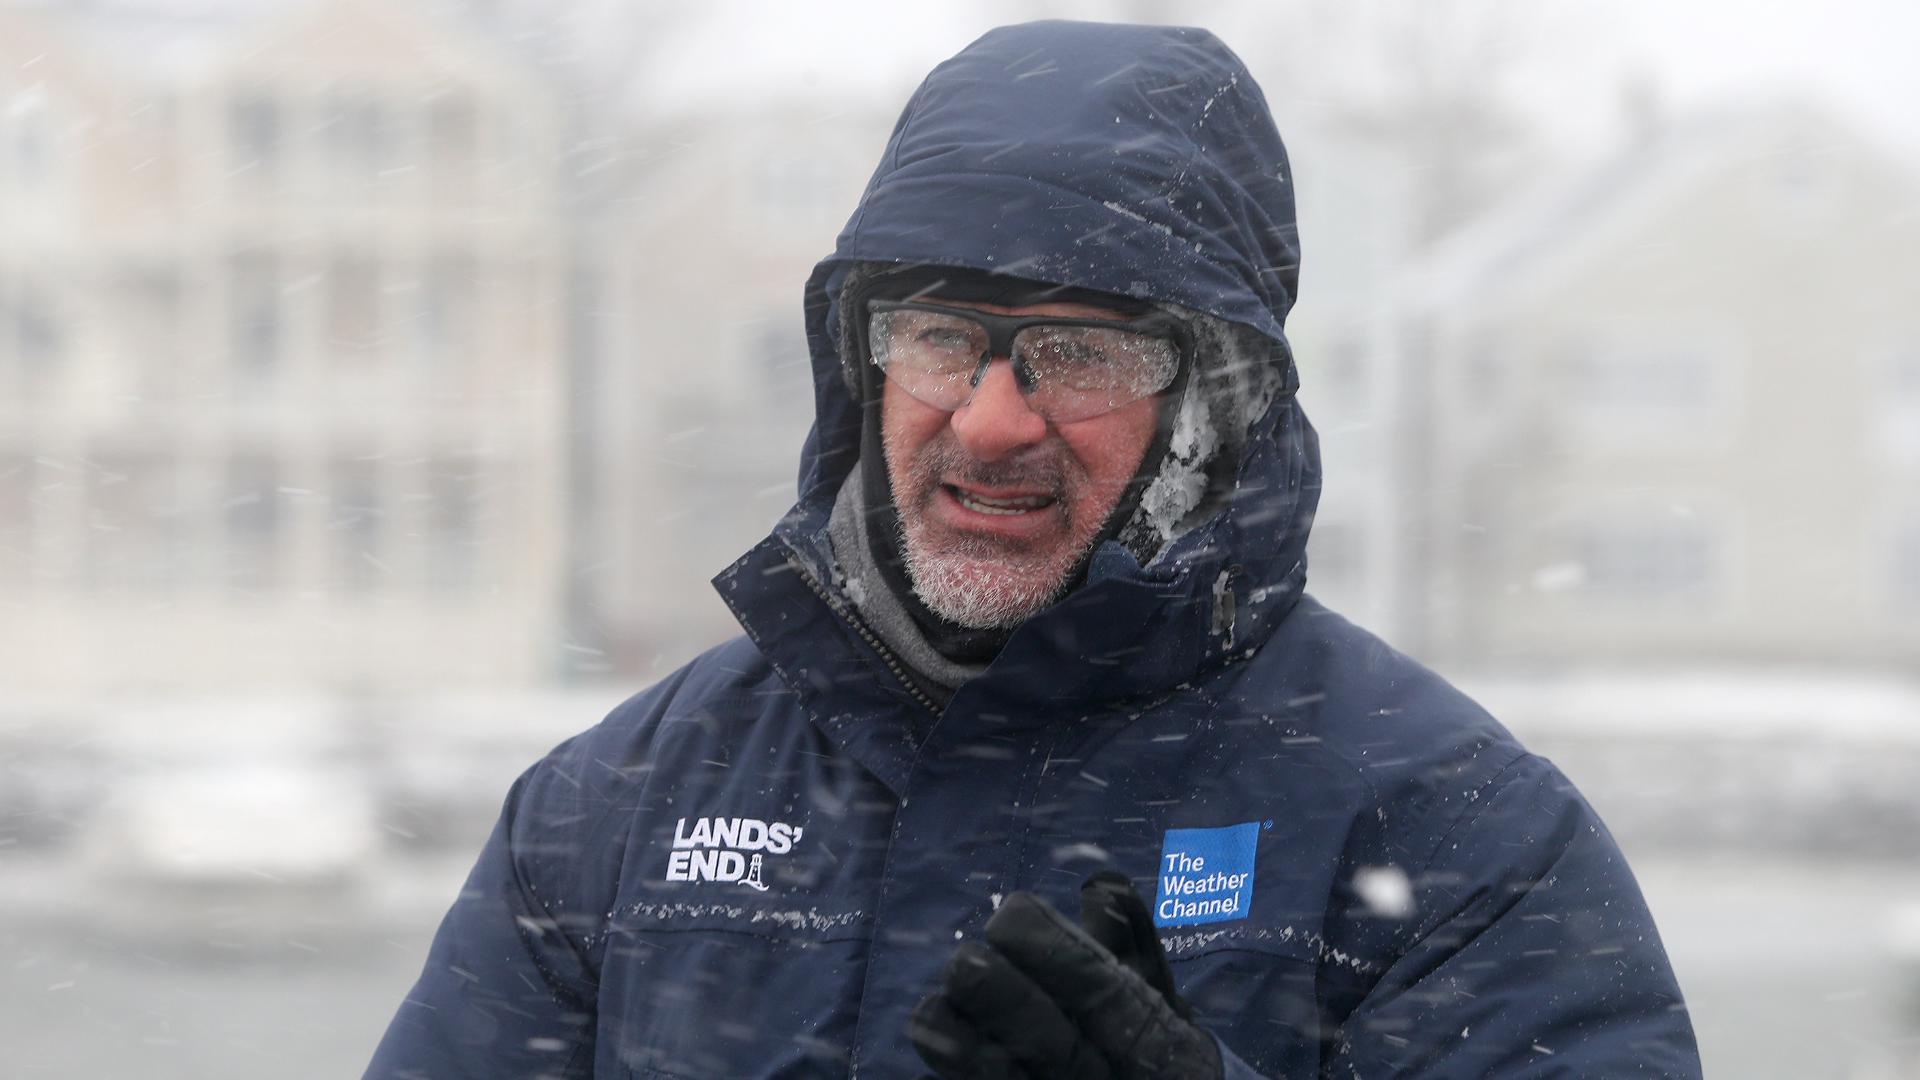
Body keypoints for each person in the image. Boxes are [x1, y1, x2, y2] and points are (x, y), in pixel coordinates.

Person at [366, 20, 1702, 1079]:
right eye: (940, 337)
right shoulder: (616, 811)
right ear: (864, 365)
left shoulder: (1456, 832)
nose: (991, 420)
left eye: (1077, 352)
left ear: (1213, 404)